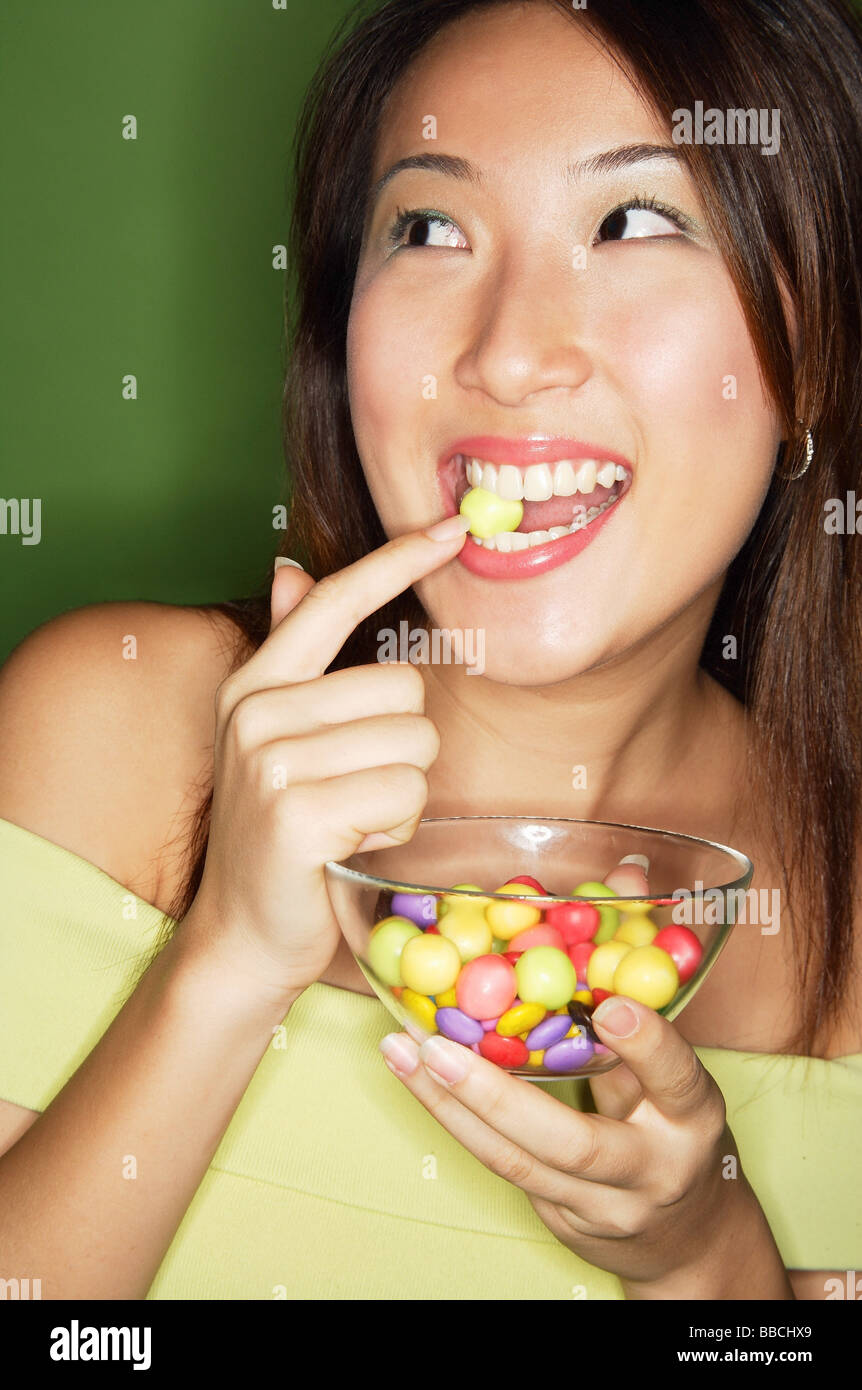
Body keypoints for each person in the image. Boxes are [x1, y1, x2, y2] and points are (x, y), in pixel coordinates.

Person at [0, 0, 860, 1301]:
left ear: (811, 350)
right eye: (429, 228)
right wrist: (224, 956)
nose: (507, 353)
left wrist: (704, 1260)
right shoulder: (109, 724)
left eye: (631, 221)